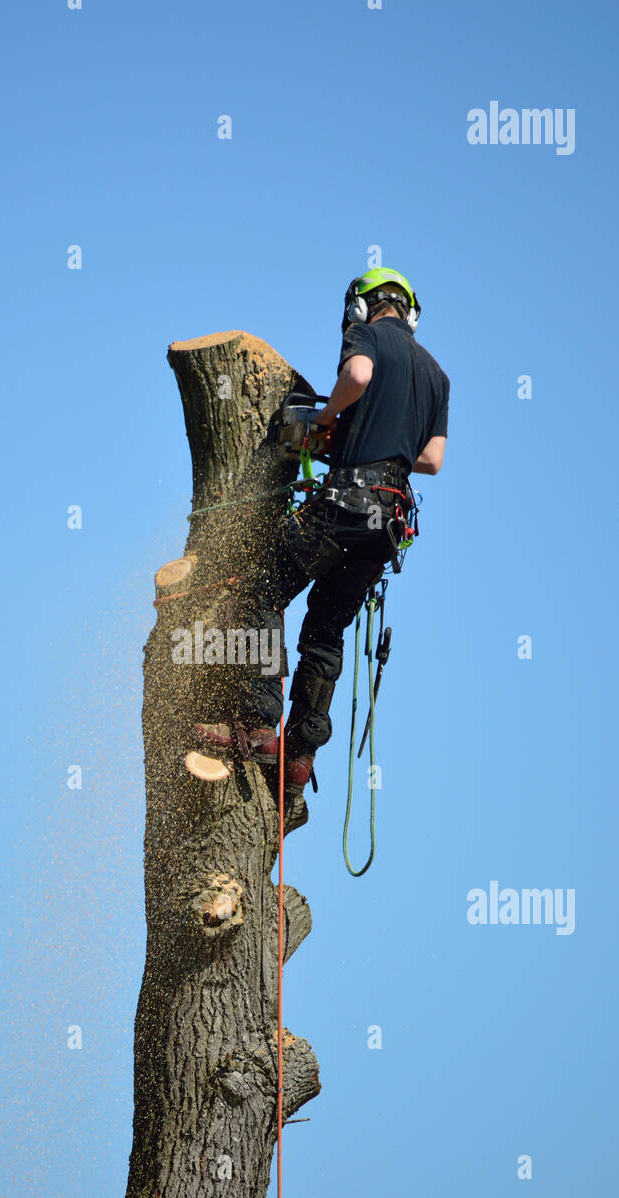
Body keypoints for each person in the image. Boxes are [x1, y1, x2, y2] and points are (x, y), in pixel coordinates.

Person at [196, 267, 450, 799]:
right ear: (412, 312)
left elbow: (357, 375)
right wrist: (365, 434)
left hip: (346, 503)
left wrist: (328, 420)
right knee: (326, 629)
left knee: (259, 587)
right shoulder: (437, 376)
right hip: (388, 522)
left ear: (360, 306)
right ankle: (300, 757)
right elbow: (431, 459)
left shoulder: (369, 337)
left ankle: (257, 725)